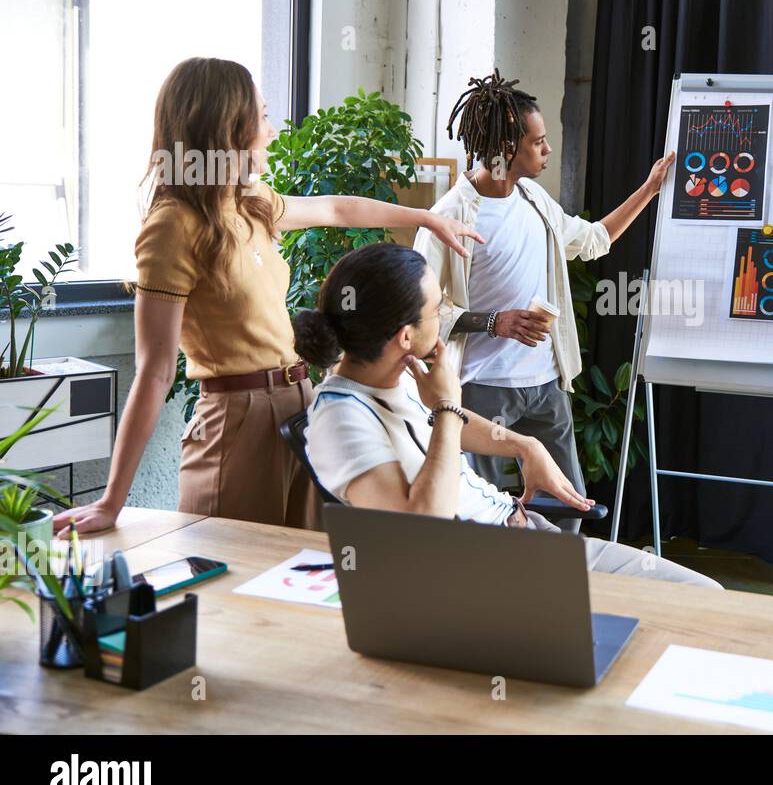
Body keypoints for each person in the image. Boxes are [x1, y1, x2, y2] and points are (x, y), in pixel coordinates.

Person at [54, 57, 480, 536]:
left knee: (299, 570)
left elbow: (336, 208)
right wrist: (113, 501)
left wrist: (425, 218)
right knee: (228, 579)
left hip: (300, 405)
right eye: (261, 116)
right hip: (236, 422)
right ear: (226, 129)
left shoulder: (249, 203)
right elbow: (154, 370)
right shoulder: (172, 226)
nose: (271, 130)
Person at [294, 242, 720, 589]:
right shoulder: (340, 419)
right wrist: (445, 405)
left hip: (520, 532)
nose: (444, 314)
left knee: (704, 598)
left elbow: (452, 423)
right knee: (702, 598)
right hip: (494, 570)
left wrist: (523, 444)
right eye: (437, 307)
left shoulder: (395, 372)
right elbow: (419, 527)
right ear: (405, 336)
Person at [414, 70, 673, 531]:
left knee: (568, 506)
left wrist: (650, 190)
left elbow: (594, 239)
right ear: (508, 148)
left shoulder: (534, 198)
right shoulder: (447, 217)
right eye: (539, 142)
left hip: (547, 384)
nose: (548, 150)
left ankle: (553, 595)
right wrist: (496, 322)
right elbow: (423, 315)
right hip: (482, 388)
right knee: (481, 518)